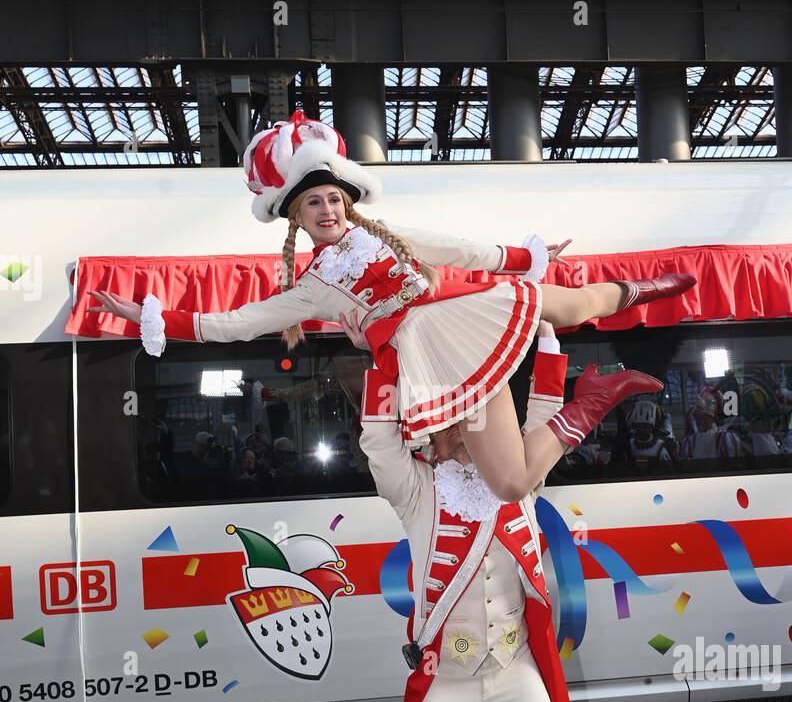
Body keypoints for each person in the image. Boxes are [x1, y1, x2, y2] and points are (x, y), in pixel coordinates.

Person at [85, 110, 695, 505]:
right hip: (443, 366)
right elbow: (238, 322)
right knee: (511, 483)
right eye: (312, 204)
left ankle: (650, 287)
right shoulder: (314, 286)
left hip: (470, 309)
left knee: (570, 306)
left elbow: (456, 247)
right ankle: (586, 404)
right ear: (293, 218)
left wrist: (518, 254)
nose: (326, 210)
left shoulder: (383, 235)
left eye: (332, 198)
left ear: (346, 202)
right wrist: (150, 314)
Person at [350, 311, 663, 702]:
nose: (463, 442)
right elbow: (377, 438)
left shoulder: (515, 478)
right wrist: (385, 350)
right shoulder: (414, 491)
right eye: (449, 431)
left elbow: (546, 408)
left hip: (515, 667)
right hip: (448, 677)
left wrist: (546, 331)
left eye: (470, 430)